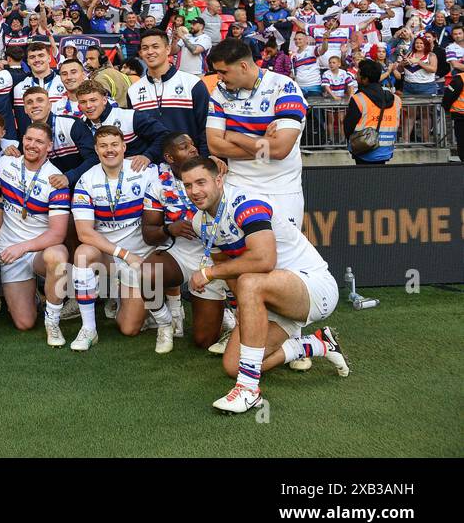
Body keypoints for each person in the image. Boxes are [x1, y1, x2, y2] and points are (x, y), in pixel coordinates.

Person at [180, 156, 348, 414]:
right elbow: (229, 266)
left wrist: (210, 273)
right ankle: (317, 344)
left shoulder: (246, 203)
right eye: (188, 185)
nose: (194, 191)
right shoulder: (200, 221)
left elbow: (264, 259)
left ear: (218, 180)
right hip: (269, 295)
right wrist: (241, 309)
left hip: (313, 286)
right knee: (233, 365)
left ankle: (249, 391)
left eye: (201, 182)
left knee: (251, 280)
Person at [136, 132, 232, 354]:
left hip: (218, 253)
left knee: (204, 341)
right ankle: (164, 323)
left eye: (192, 144)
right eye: (183, 146)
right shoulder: (159, 185)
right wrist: (169, 228)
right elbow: (149, 234)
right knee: (148, 272)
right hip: (182, 252)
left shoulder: (216, 173)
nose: (192, 148)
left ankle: (226, 311)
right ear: (170, 158)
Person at [205, 38, 307, 240]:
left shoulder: (285, 87)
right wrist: (263, 144)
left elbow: (279, 150)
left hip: (282, 189)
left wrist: (235, 137)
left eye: (223, 72)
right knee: (241, 255)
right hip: (237, 186)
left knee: (283, 259)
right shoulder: (219, 93)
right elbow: (215, 145)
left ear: (243, 66)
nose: (220, 77)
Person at [66, 126, 153, 352]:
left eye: (114, 145)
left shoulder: (144, 172)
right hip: (110, 255)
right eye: (103, 146)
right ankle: (89, 329)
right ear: (96, 149)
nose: (109, 150)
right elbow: (85, 232)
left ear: (124, 147)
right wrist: (124, 254)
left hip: (141, 255)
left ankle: (144, 299)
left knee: (128, 328)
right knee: (83, 254)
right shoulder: (86, 180)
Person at [0, 122, 71, 344]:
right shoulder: (6, 162)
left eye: (39, 141)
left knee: (58, 255)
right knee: (24, 323)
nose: (32, 145)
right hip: (10, 250)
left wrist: (22, 247)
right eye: (28, 139)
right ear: (22, 140)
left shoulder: (55, 179)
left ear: (49, 146)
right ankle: (37, 295)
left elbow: (57, 234)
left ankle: (52, 323)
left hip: (39, 250)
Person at [127, 28, 210, 155]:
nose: (150, 52)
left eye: (155, 46)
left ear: (167, 49)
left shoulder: (192, 83)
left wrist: (204, 160)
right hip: (150, 167)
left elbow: (206, 127)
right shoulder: (133, 91)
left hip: (189, 164)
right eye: (145, 48)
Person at [75, 80, 168, 165]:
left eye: (93, 100)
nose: (88, 106)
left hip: (140, 175)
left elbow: (164, 136)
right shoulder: (79, 125)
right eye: (83, 102)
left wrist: (148, 156)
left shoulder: (129, 116)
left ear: (104, 100)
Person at [343, 59, 401, 164]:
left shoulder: (359, 99)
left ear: (365, 79)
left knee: (364, 179)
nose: (356, 76)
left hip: (364, 149)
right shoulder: (396, 99)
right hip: (386, 149)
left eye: (359, 73)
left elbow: (348, 127)